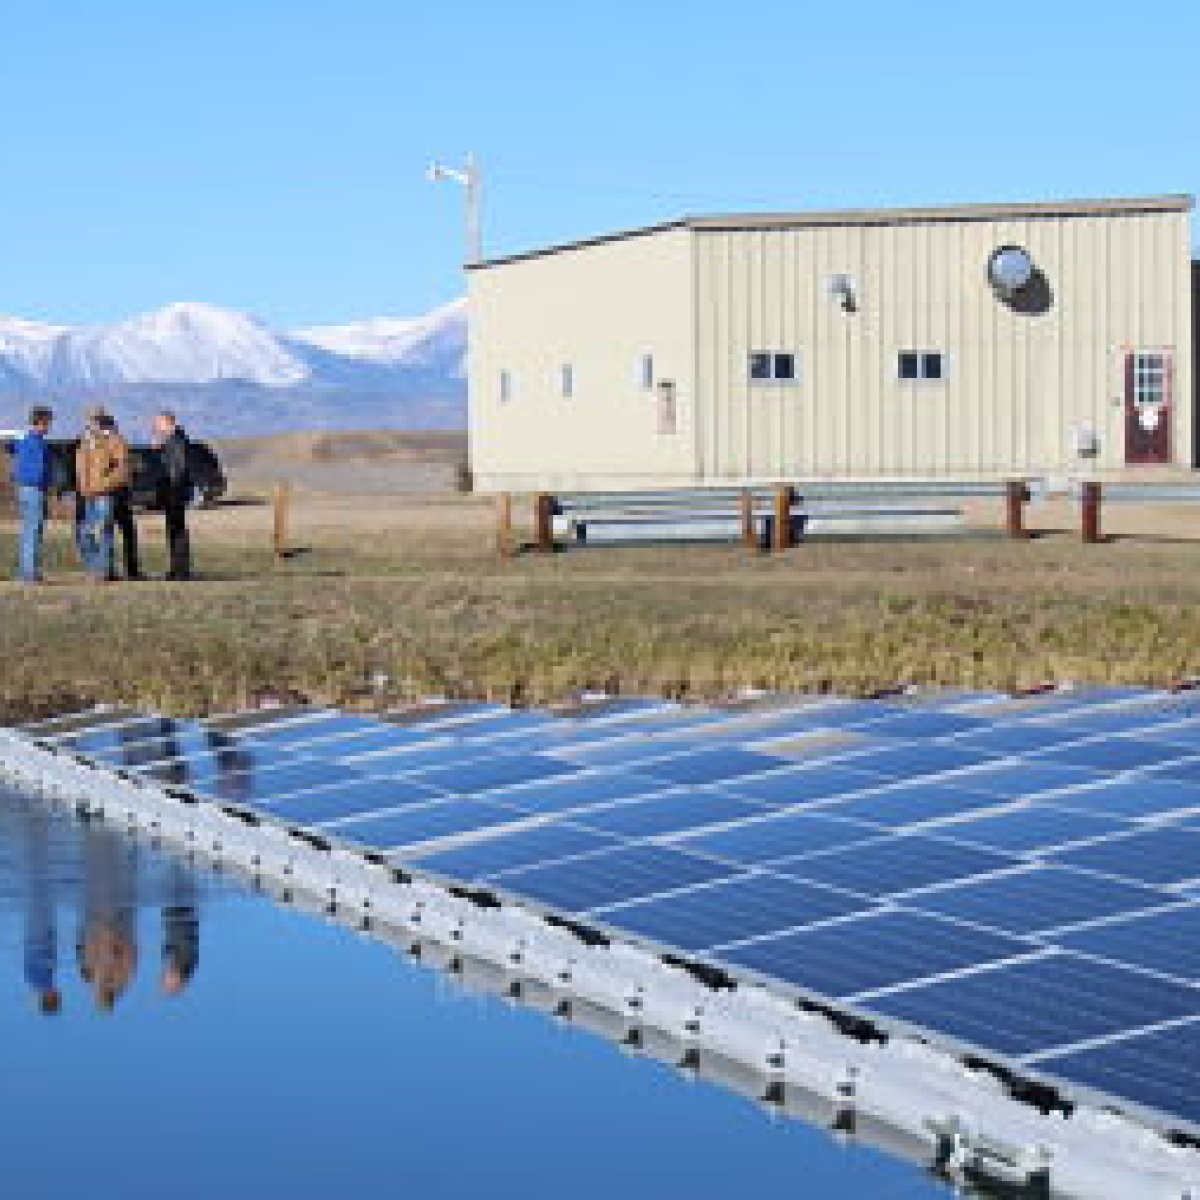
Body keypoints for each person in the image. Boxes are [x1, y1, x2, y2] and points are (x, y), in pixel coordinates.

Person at [75, 406, 131, 582]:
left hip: (105, 494)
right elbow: (81, 468)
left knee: (104, 531)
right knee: (85, 532)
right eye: (90, 419)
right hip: (87, 494)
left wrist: (104, 484)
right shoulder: (85, 442)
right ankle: (97, 567)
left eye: (96, 418)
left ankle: (103, 571)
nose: (92, 422)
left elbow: (122, 469)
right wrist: (83, 487)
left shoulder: (115, 440)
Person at [11, 405, 54, 583]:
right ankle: (30, 573)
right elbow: (40, 469)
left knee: (27, 530)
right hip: (35, 490)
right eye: (48, 423)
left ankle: (25, 570)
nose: (49, 427)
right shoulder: (39, 444)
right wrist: (47, 484)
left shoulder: (22, 440)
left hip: (22, 489)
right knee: (34, 531)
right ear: (41, 422)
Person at [153, 410, 192, 581]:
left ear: (168, 423)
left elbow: (178, 468)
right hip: (173, 491)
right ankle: (176, 569)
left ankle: (181, 570)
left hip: (175, 491)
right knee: (175, 530)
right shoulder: (172, 441)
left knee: (177, 531)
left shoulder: (176, 441)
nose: (155, 427)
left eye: (158, 423)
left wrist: (173, 488)